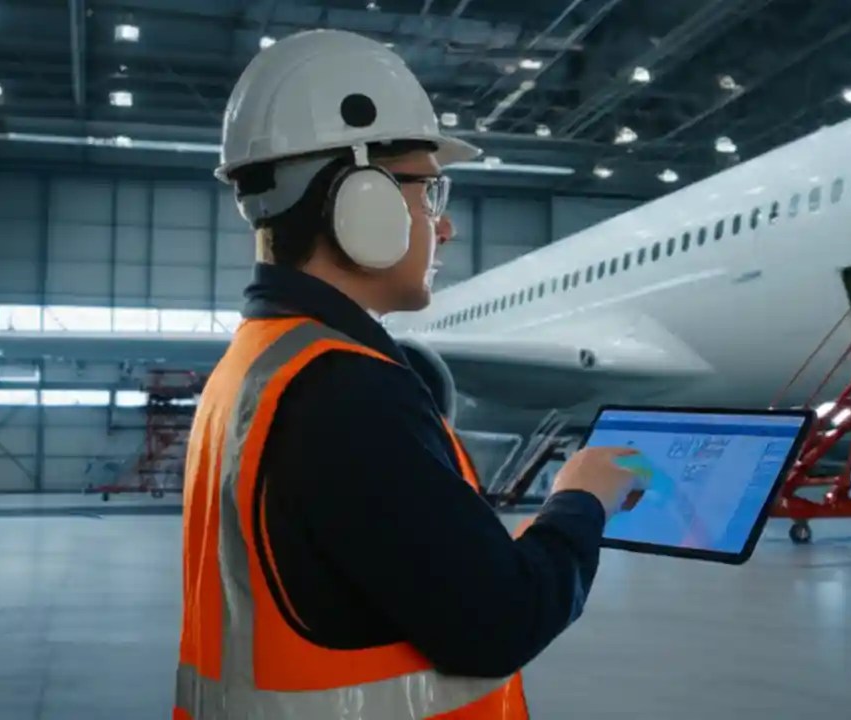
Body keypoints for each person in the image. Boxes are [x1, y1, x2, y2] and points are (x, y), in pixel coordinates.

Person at [172, 29, 641, 720]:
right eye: (429, 192)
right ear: (362, 198)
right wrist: (580, 499)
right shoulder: (346, 391)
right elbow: (501, 620)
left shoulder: (258, 364)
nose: (442, 226)